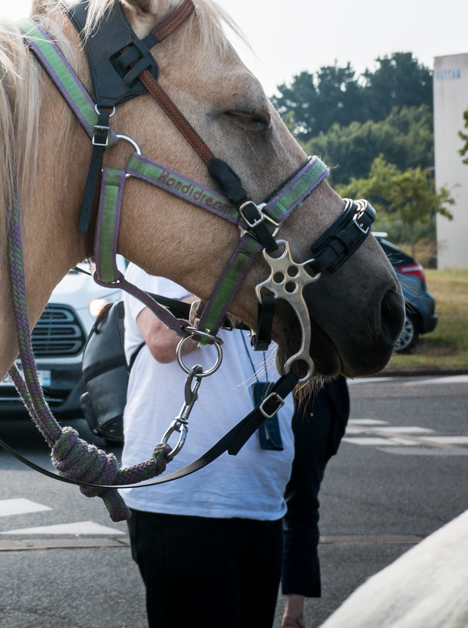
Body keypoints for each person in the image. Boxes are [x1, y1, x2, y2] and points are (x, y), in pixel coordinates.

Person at [121, 262, 295, 628]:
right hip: (184, 504)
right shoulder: (155, 260)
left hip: (262, 504)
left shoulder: (273, 264)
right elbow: (163, 340)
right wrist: (238, 275)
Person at [279, 377, 349, 628]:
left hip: (269, 393)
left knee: (254, 508)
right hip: (316, 394)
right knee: (301, 509)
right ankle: (294, 611)